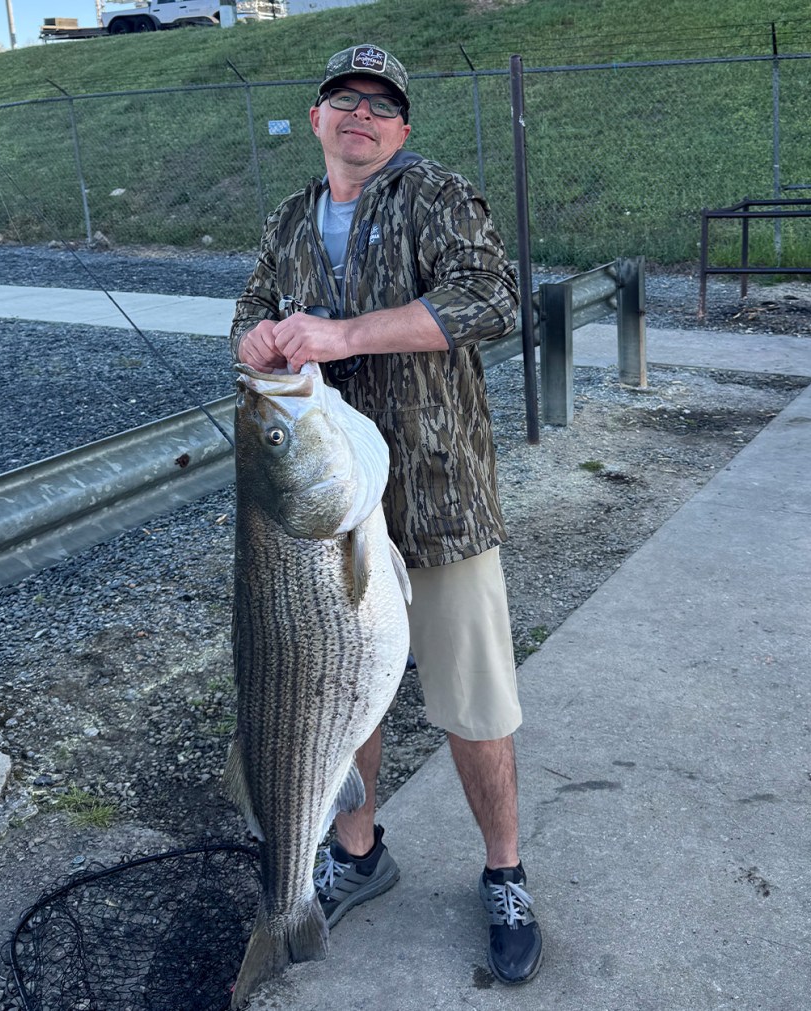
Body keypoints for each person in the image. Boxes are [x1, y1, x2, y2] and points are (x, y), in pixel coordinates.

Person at [229, 43, 542, 987]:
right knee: (338, 684)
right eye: (342, 99)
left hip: (441, 500)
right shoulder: (289, 221)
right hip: (327, 511)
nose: (359, 113)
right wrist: (254, 338)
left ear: (401, 128)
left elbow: (493, 297)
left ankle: (505, 871)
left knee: (473, 702)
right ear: (317, 118)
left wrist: (341, 334)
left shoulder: (437, 196)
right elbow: (249, 314)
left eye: (380, 103)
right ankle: (358, 852)